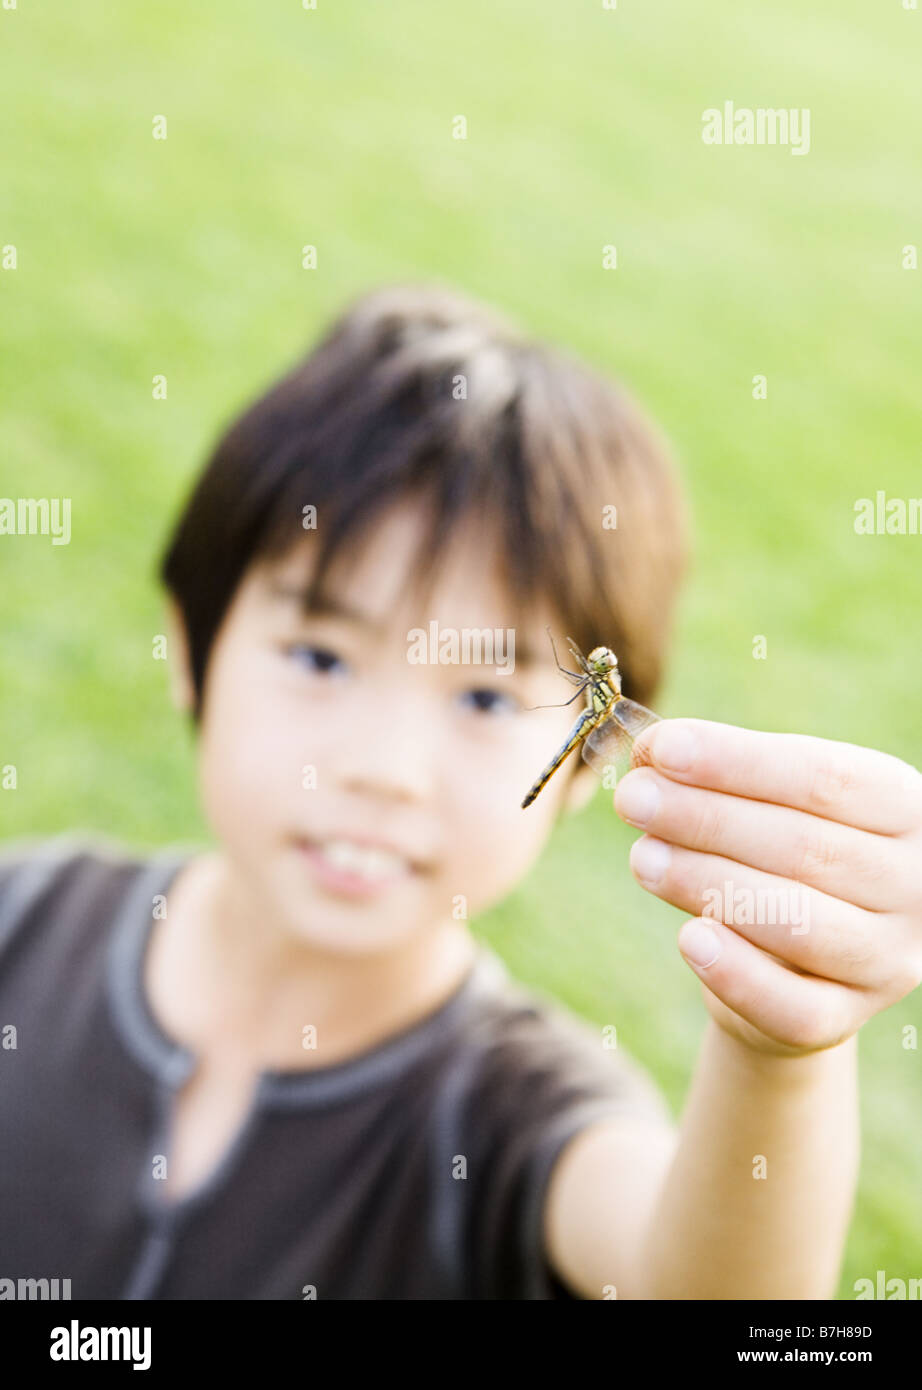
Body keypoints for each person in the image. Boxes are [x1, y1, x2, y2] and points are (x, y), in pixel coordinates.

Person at [1, 283, 919, 1300]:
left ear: (585, 763)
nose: (383, 769)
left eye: (485, 693)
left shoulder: (522, 1120)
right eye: (319, 656)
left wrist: (774, 1057)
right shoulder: (21, 918)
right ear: (191, 648)